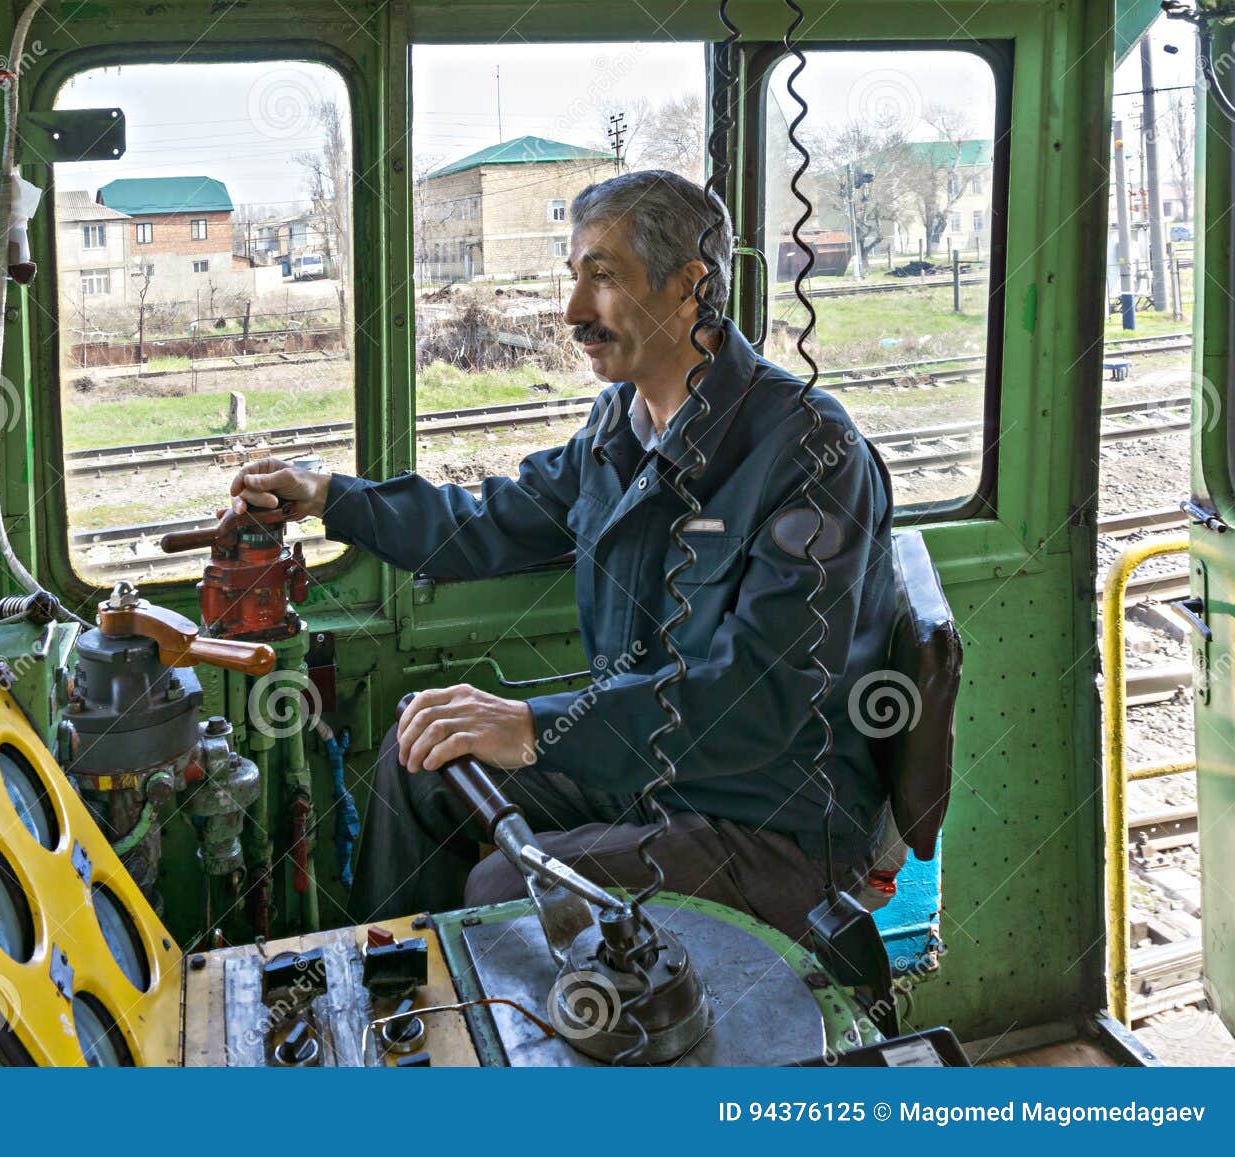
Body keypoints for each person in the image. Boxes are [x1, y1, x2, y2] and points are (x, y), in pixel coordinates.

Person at [228, 170, 894, 941]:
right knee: (421, 750)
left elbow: (759, 702)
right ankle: (403, 1003)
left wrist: (534, 726)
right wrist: (330, 496)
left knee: (506, 880)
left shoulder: (811, 451)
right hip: (649, 775)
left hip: (767, 820)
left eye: (603, 278)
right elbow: (488, 522)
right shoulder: (621, 424)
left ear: (691, 287)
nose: (573, 312)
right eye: (573, 276)